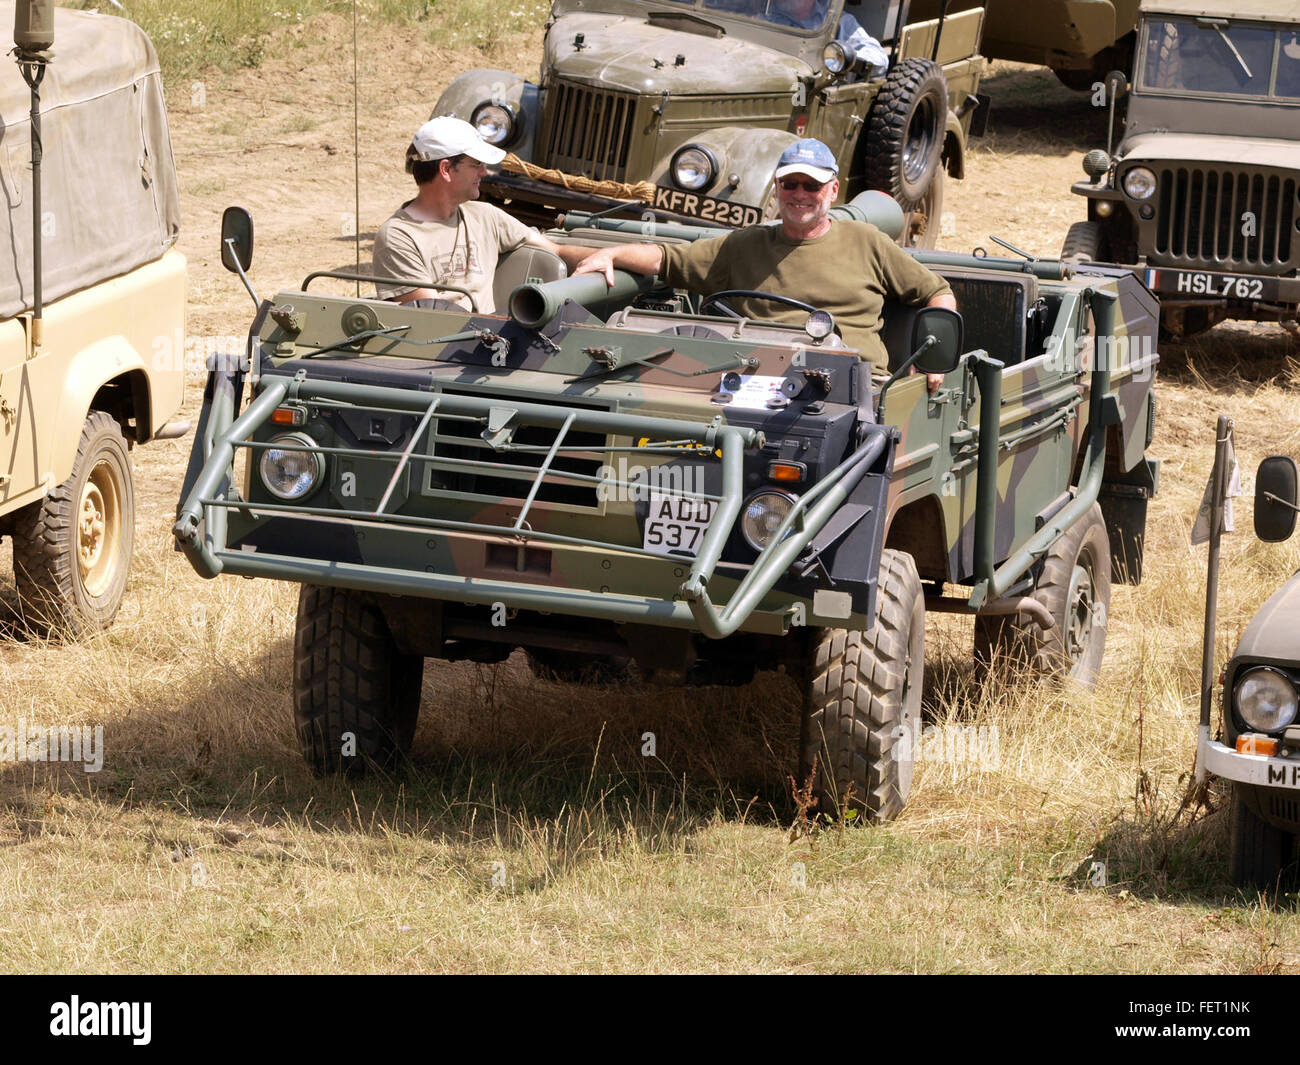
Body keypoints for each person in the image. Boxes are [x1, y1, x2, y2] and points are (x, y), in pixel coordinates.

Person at [572, 138, 956, 390]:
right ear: (777, 188)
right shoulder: (745, 245)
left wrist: (931, 359)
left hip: (851, 387)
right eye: (790, 185)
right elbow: (668, 259)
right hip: (755, 380)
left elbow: (937, 292)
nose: (800, 195)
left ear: (833, 190)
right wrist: (614, 254)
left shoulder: (866, 241)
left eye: (812, 185)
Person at [372, 116, 588, 313]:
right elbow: (434, 318)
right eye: (477, 164)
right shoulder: (398, 237)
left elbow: (557, 250)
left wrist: (609, 256)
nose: (484, 172)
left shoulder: (484, 216)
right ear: (446, 169)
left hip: (493, 343)